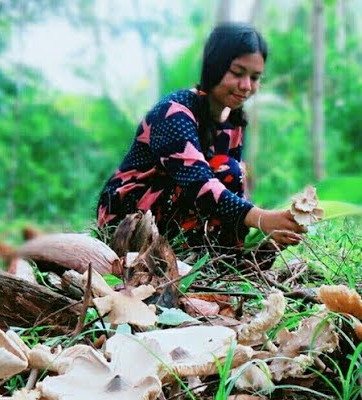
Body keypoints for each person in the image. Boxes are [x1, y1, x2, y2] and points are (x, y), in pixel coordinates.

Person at [95, 23, 305, 263]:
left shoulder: (235, 121)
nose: (246, 86)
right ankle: (204, 258)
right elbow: (198, 183)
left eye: (255, 77)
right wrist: (262, 219)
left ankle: (228, 260)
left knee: (234, 174)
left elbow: (231, 186)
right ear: (214, 67)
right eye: (237, 73)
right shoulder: (175, 112)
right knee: (226, 172)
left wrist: (268, 229)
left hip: (179, 208)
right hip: (129, 216)